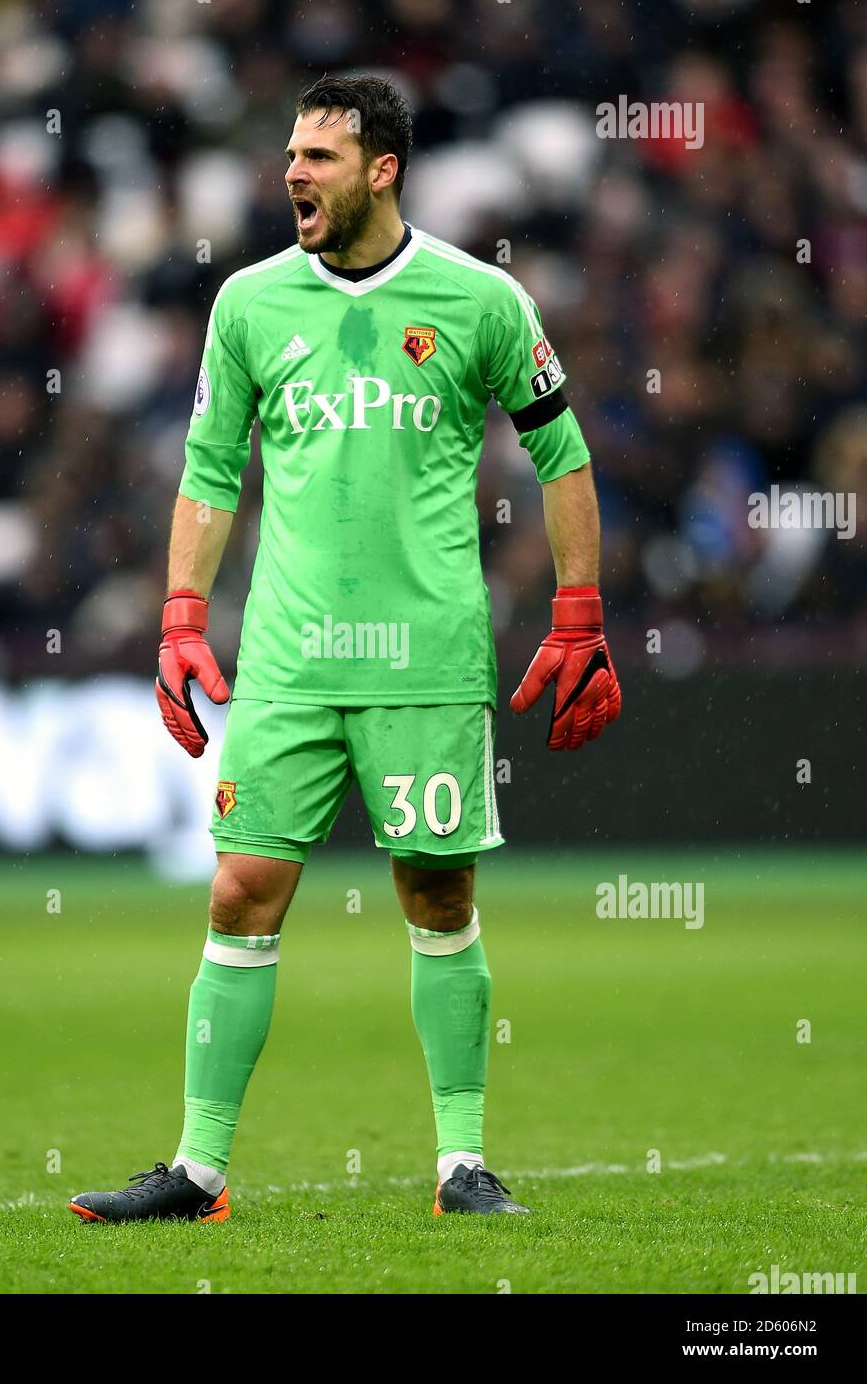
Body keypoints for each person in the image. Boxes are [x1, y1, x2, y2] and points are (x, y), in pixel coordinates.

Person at [70, 73, 620, 1225]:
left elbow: (562, 454)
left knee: (435, 890)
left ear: (384, 169)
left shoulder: (480, 300)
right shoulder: (249, 306)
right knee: (239, 890)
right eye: (288, 155)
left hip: (426, 654)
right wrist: (180, 618)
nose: (292, 175)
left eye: (318, 156)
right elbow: (211, 472)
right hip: (287, 658)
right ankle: (199, 1172)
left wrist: (580, 616)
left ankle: (462, 1164)